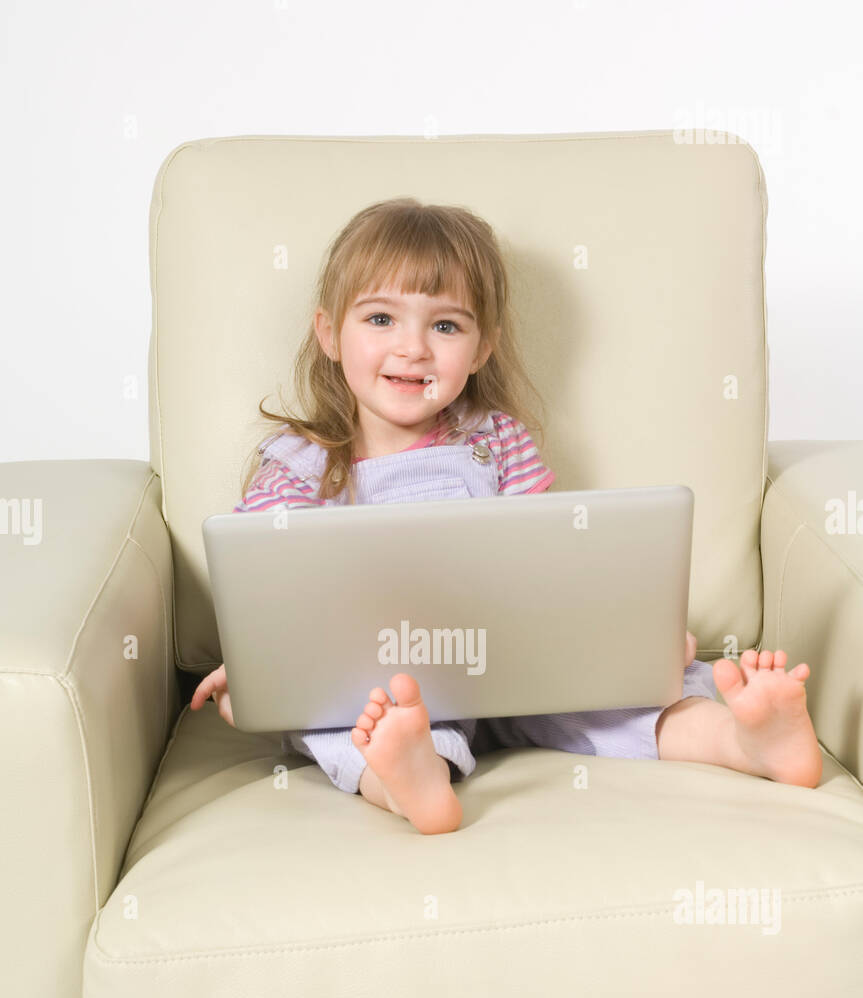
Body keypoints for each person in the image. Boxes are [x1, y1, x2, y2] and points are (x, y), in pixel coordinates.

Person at [191, 198, 822, 835]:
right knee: (339, 716)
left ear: (482, 347)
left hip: (514, 668)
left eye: (445, 327)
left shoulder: (495, 441)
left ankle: (743, 742)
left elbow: (549, 563)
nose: (412, 349)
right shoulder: (299, 465)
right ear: (329, 333)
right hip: (384, 676)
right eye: (381, 318)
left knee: (616, 701)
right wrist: (252, 661)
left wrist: (631, 637)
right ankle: (409, 777)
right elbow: (268, 588)